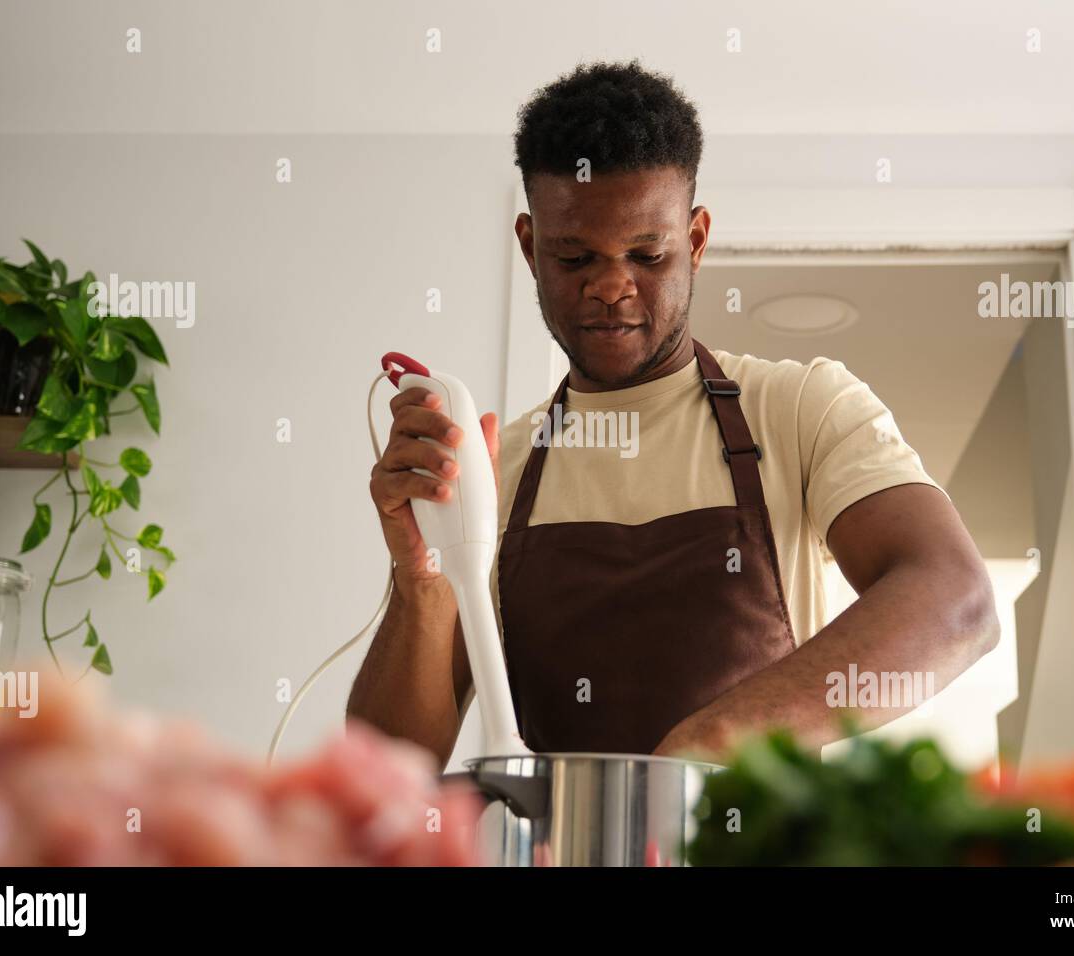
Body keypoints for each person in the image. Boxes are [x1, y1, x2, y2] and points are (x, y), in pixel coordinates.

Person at [348, 60, 999, 765]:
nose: (611, 288)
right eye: (574, 258)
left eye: (647, 253)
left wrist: (715, 739)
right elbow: (387, 770)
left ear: (693, 242)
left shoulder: (802, 409)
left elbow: (954, 599)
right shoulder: (488, 475)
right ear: (532, 248)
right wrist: (419, 587)